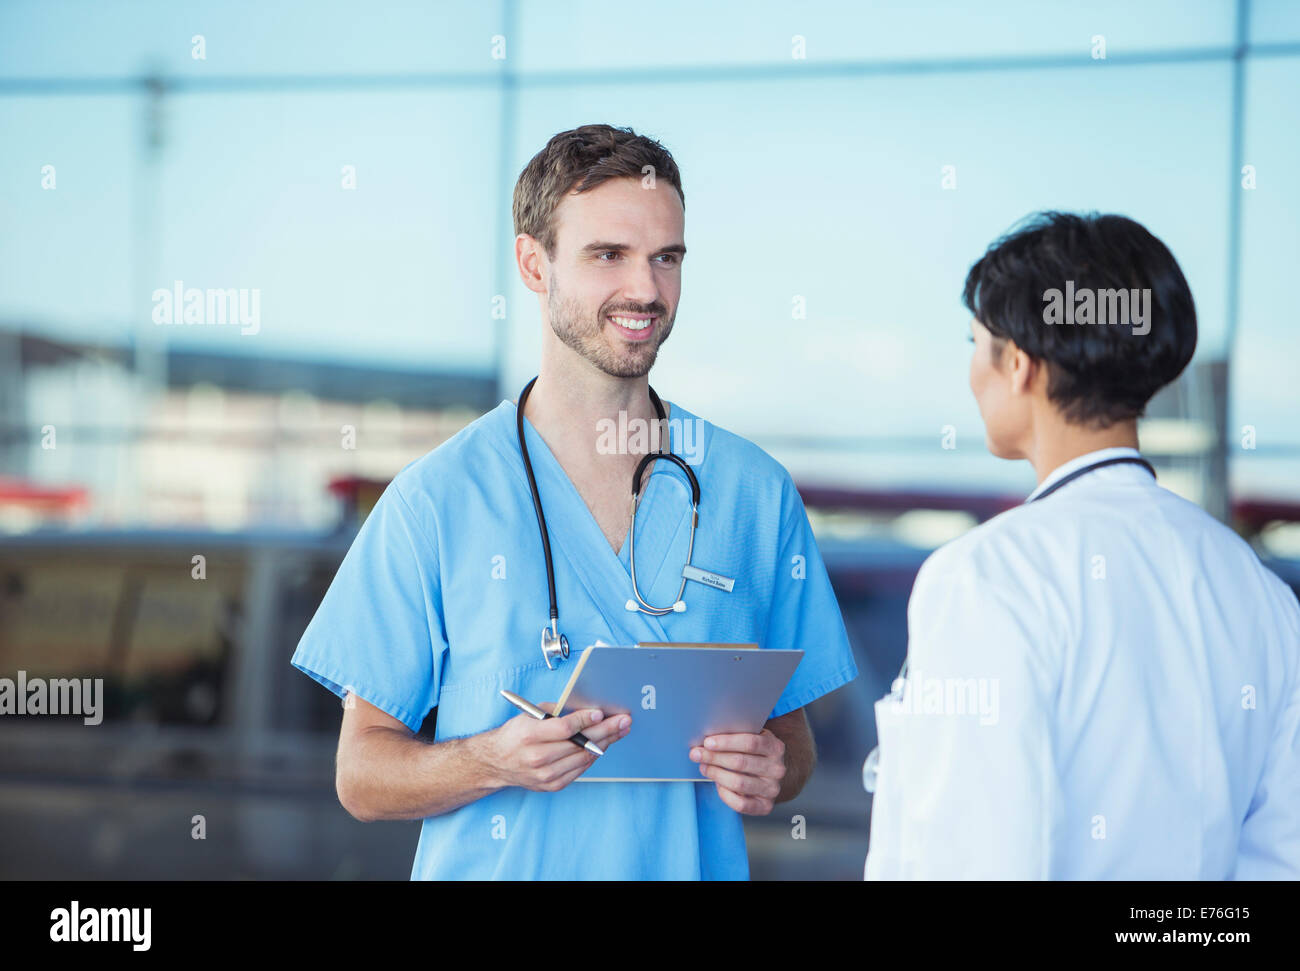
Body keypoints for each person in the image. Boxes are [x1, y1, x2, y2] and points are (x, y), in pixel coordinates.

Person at [291, 123, 857, 880]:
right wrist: (489, 760)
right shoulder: (437, 502)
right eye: (608, 255)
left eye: (667, 257)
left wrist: (769, 769)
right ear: (534, 263)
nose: (646, 289)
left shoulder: (752, 492)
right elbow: (360, 776)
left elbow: (795, 744)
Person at [864, 211, 1300, 880]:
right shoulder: (1260, 593)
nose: (972, 372)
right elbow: (1280, 855)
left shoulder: (986, 578)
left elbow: (970, 858)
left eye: (976, 342)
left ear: (1019, 365)